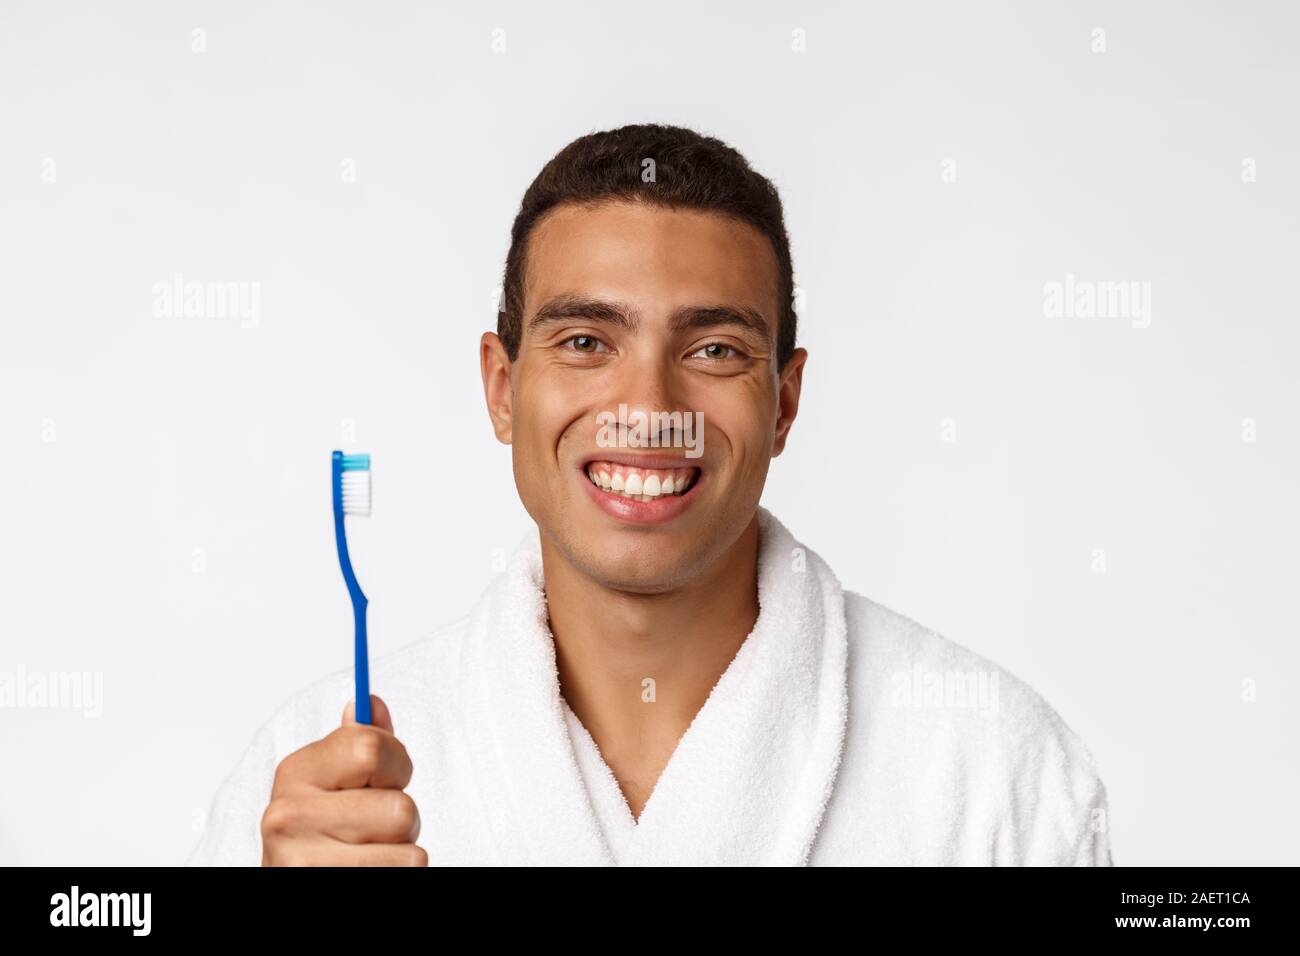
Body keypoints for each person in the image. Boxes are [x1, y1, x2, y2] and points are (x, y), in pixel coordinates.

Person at [187, 123, 1113, 866]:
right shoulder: (316, 793)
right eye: (587, 341)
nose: (649, 408)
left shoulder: (994, 771)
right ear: (502, 388)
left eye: (713, 350)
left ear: (784, 402)